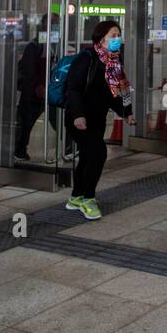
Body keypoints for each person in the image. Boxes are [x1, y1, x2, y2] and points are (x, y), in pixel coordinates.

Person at [63, 20, 132, 220]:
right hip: (79, 119)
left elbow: (118, 92)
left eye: (118, 35)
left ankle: (76, 197)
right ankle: (88, 198)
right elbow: (73, 89)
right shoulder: (86, 59)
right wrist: (77, 115)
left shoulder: (114, 62)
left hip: (97, 119)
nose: (117, 39)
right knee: (99, 153)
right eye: (113, 35)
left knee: (87, 156)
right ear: (101, 39)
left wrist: (127, 112)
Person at [13, 18, 50, 161]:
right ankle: (19, 149)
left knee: (30, 120)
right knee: (26, 121)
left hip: (44, 90)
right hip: (33, 93)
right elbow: (29, 72)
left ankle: (69, 147)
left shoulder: (51, 45)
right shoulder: (35, 46)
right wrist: (37, 87)